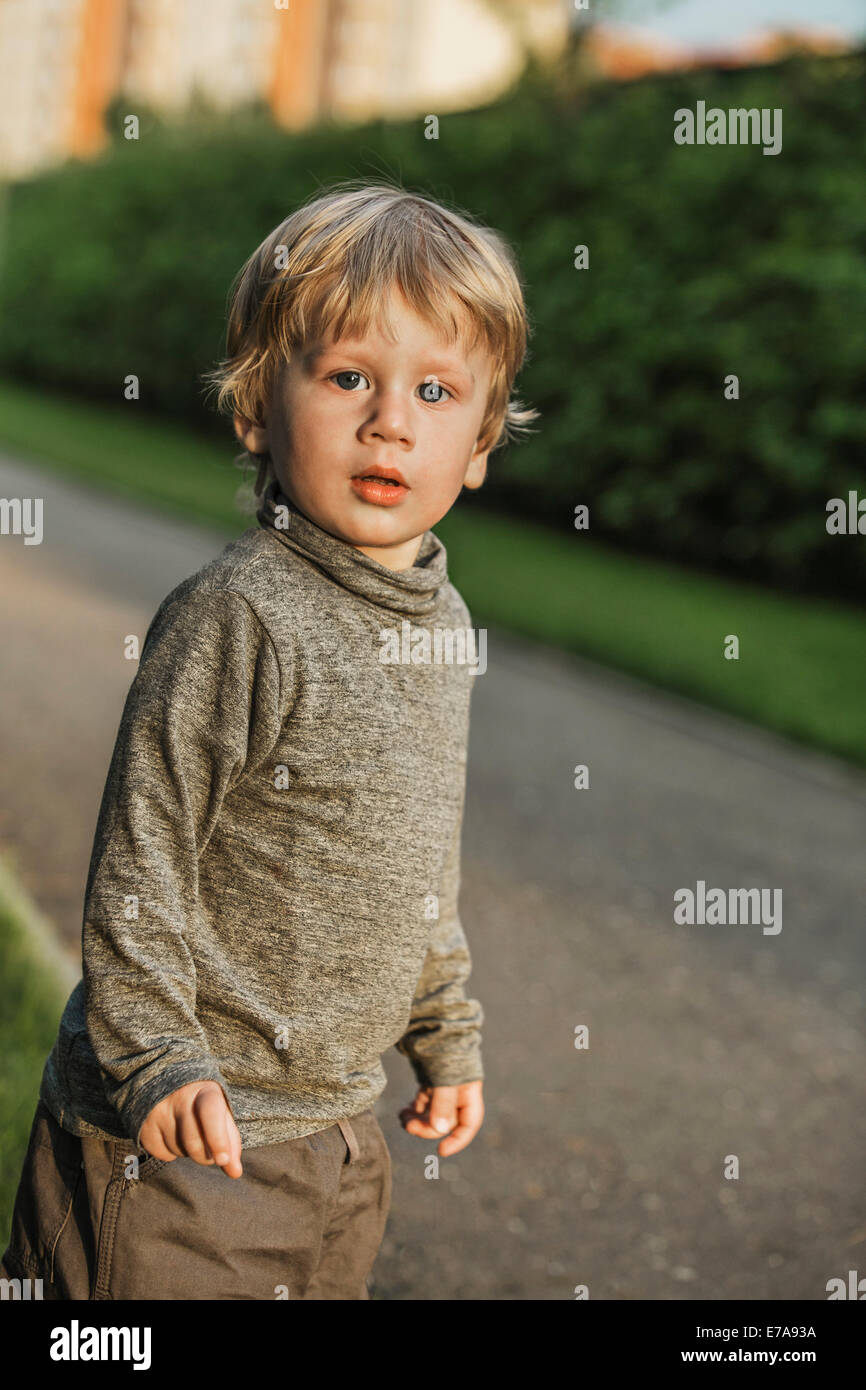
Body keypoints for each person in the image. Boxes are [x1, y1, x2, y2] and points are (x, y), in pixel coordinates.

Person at [0, 179, 539, 1300]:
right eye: (348, 377)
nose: (391, 419)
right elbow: (141, 851)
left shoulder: (441, 621)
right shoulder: (240, 614)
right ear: (255, 406)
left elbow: (416, 856)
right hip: (182, 1143)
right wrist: (155, 1058)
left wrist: (445, 1026)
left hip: (336, 1139)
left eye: (436, 391)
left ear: (481, 442)